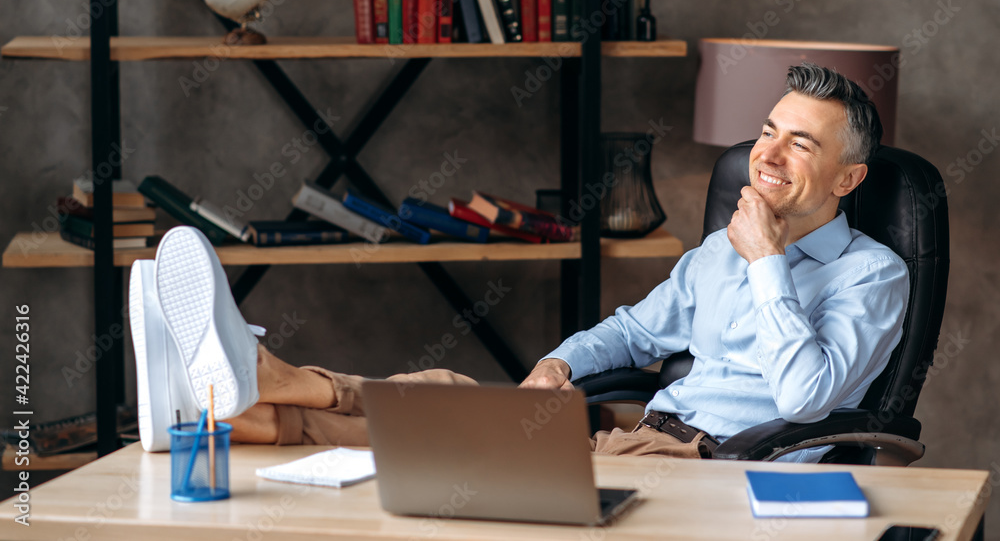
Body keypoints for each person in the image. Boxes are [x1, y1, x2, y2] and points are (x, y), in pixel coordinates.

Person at [130, 62, 908, 463]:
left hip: (712, 468)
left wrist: (769, 261)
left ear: (847, 179)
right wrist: (560, 365)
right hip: (630, 433)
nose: (764, 154)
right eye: (767, 130)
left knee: (451, 439)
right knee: (445, 398)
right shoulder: (716, 251)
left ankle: (250, 398)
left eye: (799, 143)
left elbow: (807, 401)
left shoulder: (872, 274)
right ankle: (246, 404)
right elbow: (635, 333)